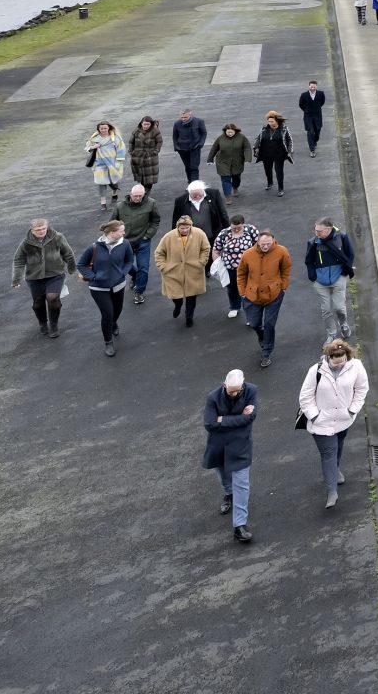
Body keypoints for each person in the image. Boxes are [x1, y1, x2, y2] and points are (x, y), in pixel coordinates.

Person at [298, 338, 369, 509]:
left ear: (347, 356)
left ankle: (335, 471)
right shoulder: (316, 370)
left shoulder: (356, 366)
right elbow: (305, 396)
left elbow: (361, 389)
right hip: (321, 423)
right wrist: (315, 416)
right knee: (328, 453)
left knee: (338, 444)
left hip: (344, 420)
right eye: (335, 363)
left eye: (342, 362)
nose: (339, 365)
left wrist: (352, 410)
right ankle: (332, 491)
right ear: (328, 358)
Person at [202, 369, 258, 543]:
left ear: (243, 385)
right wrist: (239, 417)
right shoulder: (212, 398)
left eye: (237, 391)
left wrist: (222, 420)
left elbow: (250, 418)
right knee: (223, 476)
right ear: (224, 385)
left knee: (241, 484)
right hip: (218, 446)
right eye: (231, 391)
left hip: (241, 445)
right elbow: (209, 423)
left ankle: (239, 526)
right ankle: (229, 493)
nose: (234, 394)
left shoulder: (251, 390)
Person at [76, 220, 133, 357]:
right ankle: (108, 342)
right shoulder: (94, 247)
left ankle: (113, 323)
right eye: (121, 231)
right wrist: (93, 277)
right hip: (98, 288)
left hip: (118, 285)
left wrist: (122, 273)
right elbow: (81, 264)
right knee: (107, 313)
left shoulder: (125, 244)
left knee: (117, 310)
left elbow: (129, 261)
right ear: (112, 232)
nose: (124, 233)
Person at [238, 229, 292, 369]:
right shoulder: (248, 254)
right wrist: (242, 292)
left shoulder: (282, 251)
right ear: (257, 242)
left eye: (268, 243)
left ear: (273, 241)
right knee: (254, 323)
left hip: (274, 295)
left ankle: (266, 352)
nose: (266, 246)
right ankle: (262, 336)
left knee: (269, 324)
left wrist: (283, 286)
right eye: (263, 244)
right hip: (252, 296)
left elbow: (286, 268)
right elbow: (241, 274)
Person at [13, 217, 75, 338]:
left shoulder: (57, 237)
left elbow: (68, 253)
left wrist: (71, 267)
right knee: (38, 303)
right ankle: (42, 322)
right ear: (32, 230)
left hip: (55, 274)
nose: (41, 231)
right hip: (34, 277)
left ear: (47, 227)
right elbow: (18, 260)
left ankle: (54, 325)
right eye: (38, 230)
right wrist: (16, 279)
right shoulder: (26, 243)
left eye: (43, 228)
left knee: (52, 298)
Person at [304, 218, 355, 343]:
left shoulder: (342, 237)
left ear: (328, 229)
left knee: (339, 308)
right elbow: (309, 261)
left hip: (339, 278)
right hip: (320, 282)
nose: (316, 233)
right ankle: (331, 334)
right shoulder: (313, 242)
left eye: (319, 231)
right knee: (326, 310)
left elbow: (350, 254)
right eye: (315, 230)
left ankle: (343, 324)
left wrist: (344, 273)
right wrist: (313, 277)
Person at [155, 214, 212, 326]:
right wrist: (163, 267)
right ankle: (178, 305)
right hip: (173, 272)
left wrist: (201, 262)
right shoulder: (168, 236)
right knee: (175, 296)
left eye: (187, 228)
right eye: (182, 228)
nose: (185, 230)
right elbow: (159, 253)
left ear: (191, 226)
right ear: (177, 227)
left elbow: (206, 249)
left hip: (194, 271)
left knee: (192, 296)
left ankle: (189, 316)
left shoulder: (199, 234)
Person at [116, 183, 161, 304]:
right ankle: (135, 276)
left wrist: (148, 235)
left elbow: (155, 220)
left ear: (144, 195)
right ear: (130, 194)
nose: (137, 198)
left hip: (143, 241)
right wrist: (114, 237)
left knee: (143, 268)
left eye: (140, 196)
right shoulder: (120, 206)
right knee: (124, 264)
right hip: (125, 242)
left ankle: (139, 292)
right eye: (135, 196)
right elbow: (113, 223)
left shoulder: (151, 203)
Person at [214, 213, 259, 319]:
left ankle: (250, 313)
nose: (236, 230)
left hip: (247, 267)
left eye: (239, 227)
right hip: (230, 268)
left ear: (243, 224)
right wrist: (217, 265)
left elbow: (259, 245)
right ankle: (234, 307)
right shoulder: (224, 233)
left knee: (248, 289)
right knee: (232, 288)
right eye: (234, 228)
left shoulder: (251, 230)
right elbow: (216, 250)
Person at [85, 121, 128, 210]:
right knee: (101, 182)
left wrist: (118, 162)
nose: (103, 130)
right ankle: (103, 202)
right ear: (98, 129)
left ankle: (115, 191)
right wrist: (93, 147)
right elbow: (87, 148)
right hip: (99, 164)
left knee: (113, 181)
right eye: (101, 129)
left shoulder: (115, 138)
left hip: (112, 163)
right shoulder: (94, 138)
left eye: (105, 128)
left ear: (109, 128)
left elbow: (121, 149)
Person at [206, 122, 252, 201]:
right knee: (225, 179)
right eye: (228, 132)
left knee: (236, 177)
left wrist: (248, 158)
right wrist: (210, 159)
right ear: (225, 131)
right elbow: (214, 148)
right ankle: (228, 196)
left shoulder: (242, 137)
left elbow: (247, 147)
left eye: (231, 132)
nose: (230, 134)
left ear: (235, 131)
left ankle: (235, 187)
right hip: (222, 162)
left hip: (237, 161)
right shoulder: (220, 138)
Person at [254, 111, 293, 197]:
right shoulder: (264, 128)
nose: (270, 123)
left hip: (279, 154)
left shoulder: (284, 129)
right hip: (266, 153)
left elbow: (289, 140)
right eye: (269, 121)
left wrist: (290, 151)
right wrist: (256, 147)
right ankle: (270, 182)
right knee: (267, 169)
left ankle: (281, 188)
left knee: (279, 171)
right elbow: (258, 138)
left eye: (272, 121)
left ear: (277, 121)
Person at [128, 115, 164, 197]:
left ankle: (145, 195)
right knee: (141, 177)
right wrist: (132, 152)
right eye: (144, 124)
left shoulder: (155, 131)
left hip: (150, 158)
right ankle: (143, 193)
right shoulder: (136, 131)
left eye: (148, 124)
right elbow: (131, 142)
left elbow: (159, 142)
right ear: (141, 123)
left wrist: (155, 151)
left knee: (149, 179)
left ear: (151, 124)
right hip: (138, 157)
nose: (146, 126)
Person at [173, 108, 207, 182]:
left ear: (190, 115)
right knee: (188, 166)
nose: (183, 119)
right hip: (182, 149)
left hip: (195, 147)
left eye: (185, 117)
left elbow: (204, 133)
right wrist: (176, 147)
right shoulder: (177, 124)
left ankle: (195, 184)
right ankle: (190, 182)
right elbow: (175, 136)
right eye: (182, 117)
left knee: (194, 167)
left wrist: (201, 144)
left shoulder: (199, 121)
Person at [298, 80, 327, 157]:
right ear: (309, 86)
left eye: (314, 87)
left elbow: (322, 102)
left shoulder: (321, 94)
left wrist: (317, 108)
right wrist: (306, 110)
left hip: (317, 115)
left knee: (318, 130)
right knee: (310, 132)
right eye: (311, 87)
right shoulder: (304, 95)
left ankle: (315, 140)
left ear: (316, 86)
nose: (312, 88)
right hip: (308, 116)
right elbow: (300, 104)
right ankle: (312, 150)